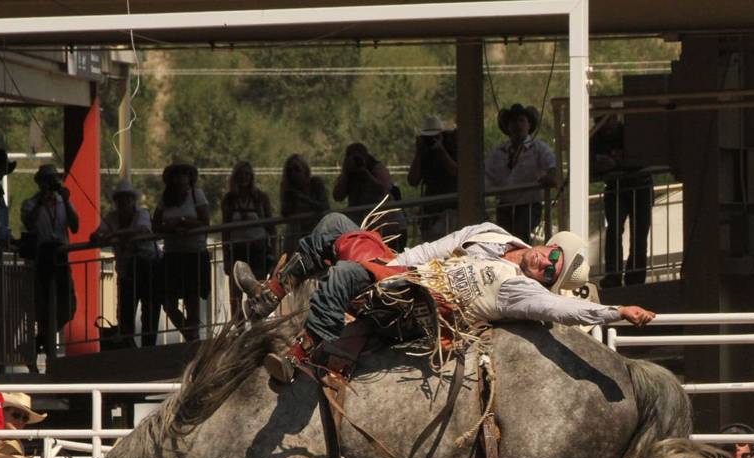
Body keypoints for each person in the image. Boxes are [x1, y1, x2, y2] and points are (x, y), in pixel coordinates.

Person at [234, 212, 656, 382]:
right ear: (549, 242)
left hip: (425, 310)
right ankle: (268, 295)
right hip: (407, 276)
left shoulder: (520, 290)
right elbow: (436, 248)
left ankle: (300, 356)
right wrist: (391, 264)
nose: (545, 264)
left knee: (345, 273)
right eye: (553, 256)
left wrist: (614, 312)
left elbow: (561, 308)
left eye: (553, 272)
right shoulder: (489, 232)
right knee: (336, 223)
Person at [91, 180, 159, 348]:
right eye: (120, 199)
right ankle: (129, 346)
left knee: (149, 309)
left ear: (132, 200)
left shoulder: (142, 213)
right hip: (125, 271)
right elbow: (97, 235)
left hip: (147, 268)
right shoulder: (111, 217)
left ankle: (148, 347)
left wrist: (114, 235)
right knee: (125, 312)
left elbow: (141, 229)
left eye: (127, 199)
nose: (124, 203)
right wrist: (100, 236)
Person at [19, 164, 79, 354]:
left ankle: (41, 341)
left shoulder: (63, 202)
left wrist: (66, 200)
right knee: (44, 307)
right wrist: (41, 202)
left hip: (60, 255)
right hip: (42, 256)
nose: (51, 185)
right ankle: (46, 343)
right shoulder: (31, 203)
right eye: (47, 181)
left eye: (53, 181)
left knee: (68, 305)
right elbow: (29, 223)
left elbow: (76, 226)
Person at [485, 103, 560, 243]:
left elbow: (553, 166)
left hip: (529, 204)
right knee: (504, 241)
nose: (517, 125)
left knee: (520, 237)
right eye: (513, 121)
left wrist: (550, 177)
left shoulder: (539, 148)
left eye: (521, 120)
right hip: (505, 206)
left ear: (529, 125)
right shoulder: (498, 152)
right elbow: (486, 176)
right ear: (508, 127)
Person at [592, 116, 653, 288]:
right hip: (616, 188)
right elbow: (589, 163)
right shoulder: (595, 137)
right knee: (614, 230)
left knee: (639, 233)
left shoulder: (630, 132)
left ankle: (635, 276)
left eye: (606, 118)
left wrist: (616, 163)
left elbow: (643, 155)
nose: (603, 124)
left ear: (615, 117)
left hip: (640, 186)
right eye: (599, 120)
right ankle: (614, 275)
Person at [153, 161, 211, 341]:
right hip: (172, 254)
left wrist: (183, 222)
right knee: (169, 303)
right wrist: (169, 228)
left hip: (194, 253)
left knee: (192, 298)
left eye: (184, 174)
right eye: (176, 175)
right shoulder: (165, 199)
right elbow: (155, 224)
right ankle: (190, 333)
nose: (180, 179)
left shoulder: (196, 194)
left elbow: (204, 221)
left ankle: (192, 338)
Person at [221, 160, 274, 318]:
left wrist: (273, 252)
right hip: (237, 250)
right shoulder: (229, 199)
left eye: (247, 174)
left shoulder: (260, 197)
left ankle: (256, 331)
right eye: (240, 175)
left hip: (258, 249)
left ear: (251, 177)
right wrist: (226, 257)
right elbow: (225, 229)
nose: (244, 178)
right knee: (235, 296)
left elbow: (271, 227)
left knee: (257, 294)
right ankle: (238, 329)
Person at [333, 142, 405, 250]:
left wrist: (365, 173)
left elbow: (383, 190)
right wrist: (346, 173)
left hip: (389, 226)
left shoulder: (376, 168)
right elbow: (337, 196)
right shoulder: (349, 174)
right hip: (365, 228)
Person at [407, 116, 459, 240]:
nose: (431, 140)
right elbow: (413, 180)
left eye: (435, 136)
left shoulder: (452, 147)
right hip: (431, 211)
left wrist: (441, 151)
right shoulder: (424, 152)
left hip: (451, 208)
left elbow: (457, 172)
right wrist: (418, 153)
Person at [279, 153, 330, 253]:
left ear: (305, 170)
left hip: (316, 231)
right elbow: (285, 213)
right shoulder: (289, 190)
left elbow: (324, 206)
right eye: (290, 171)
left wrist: (302, 198)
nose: (293, 173)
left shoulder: (316, 183)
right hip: (295, 235)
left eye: (297, 169)